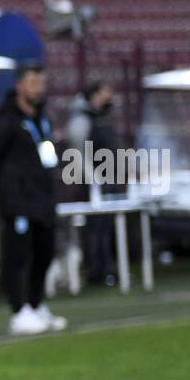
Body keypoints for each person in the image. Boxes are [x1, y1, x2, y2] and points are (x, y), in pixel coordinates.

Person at [0, 64, 67, 336]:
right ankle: (18, 312)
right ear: (19, 85)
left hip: (43, 198)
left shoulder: (43, 118)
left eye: (40, 82)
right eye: (32, 82)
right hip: (17, 201)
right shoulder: (6, 121)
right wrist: (10, 189)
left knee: (44, 254)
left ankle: (35, 304)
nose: (37, 88)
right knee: (17, 257)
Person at [65, 81, 122, 284]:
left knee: (107, 227)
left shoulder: (101, 118)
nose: (110, 98)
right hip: (95, 182)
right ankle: (96, 271)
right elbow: (77, 152)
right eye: (106, 93)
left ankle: (107, 268)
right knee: (96, 228)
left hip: (110, 179)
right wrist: (92, 177)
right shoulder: (82, 119)